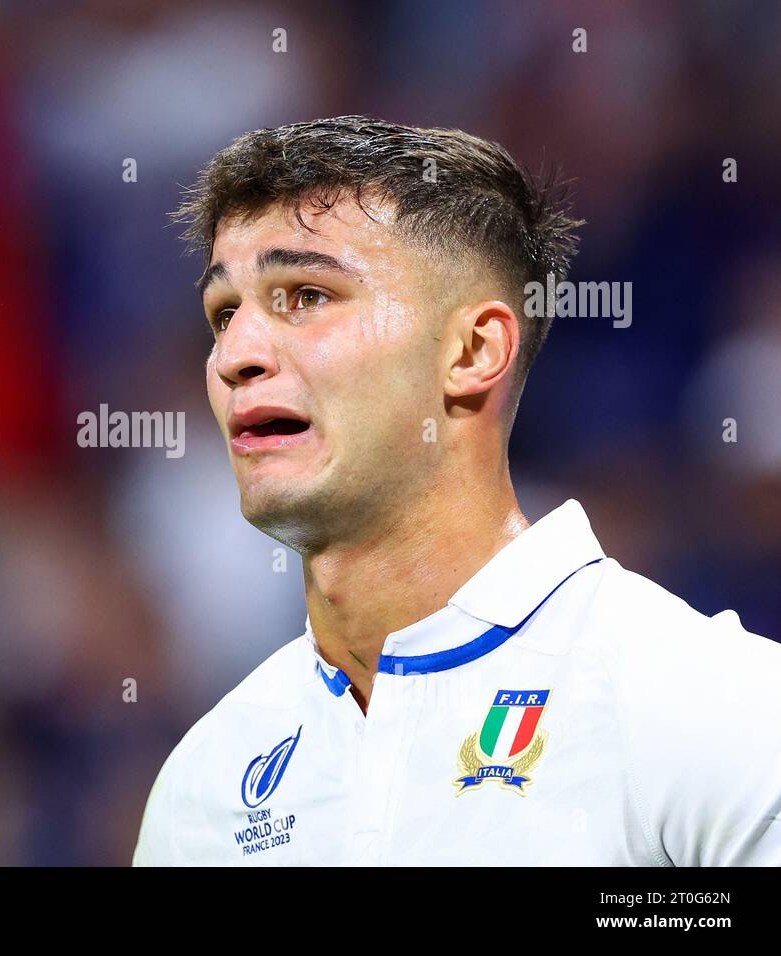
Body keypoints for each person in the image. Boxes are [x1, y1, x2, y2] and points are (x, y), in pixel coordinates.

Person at [132, 116, 781, 866]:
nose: (235, 356)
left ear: (473, 351)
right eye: (224, 313)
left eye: (306, 295)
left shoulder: (710, 710)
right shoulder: (201, 789)